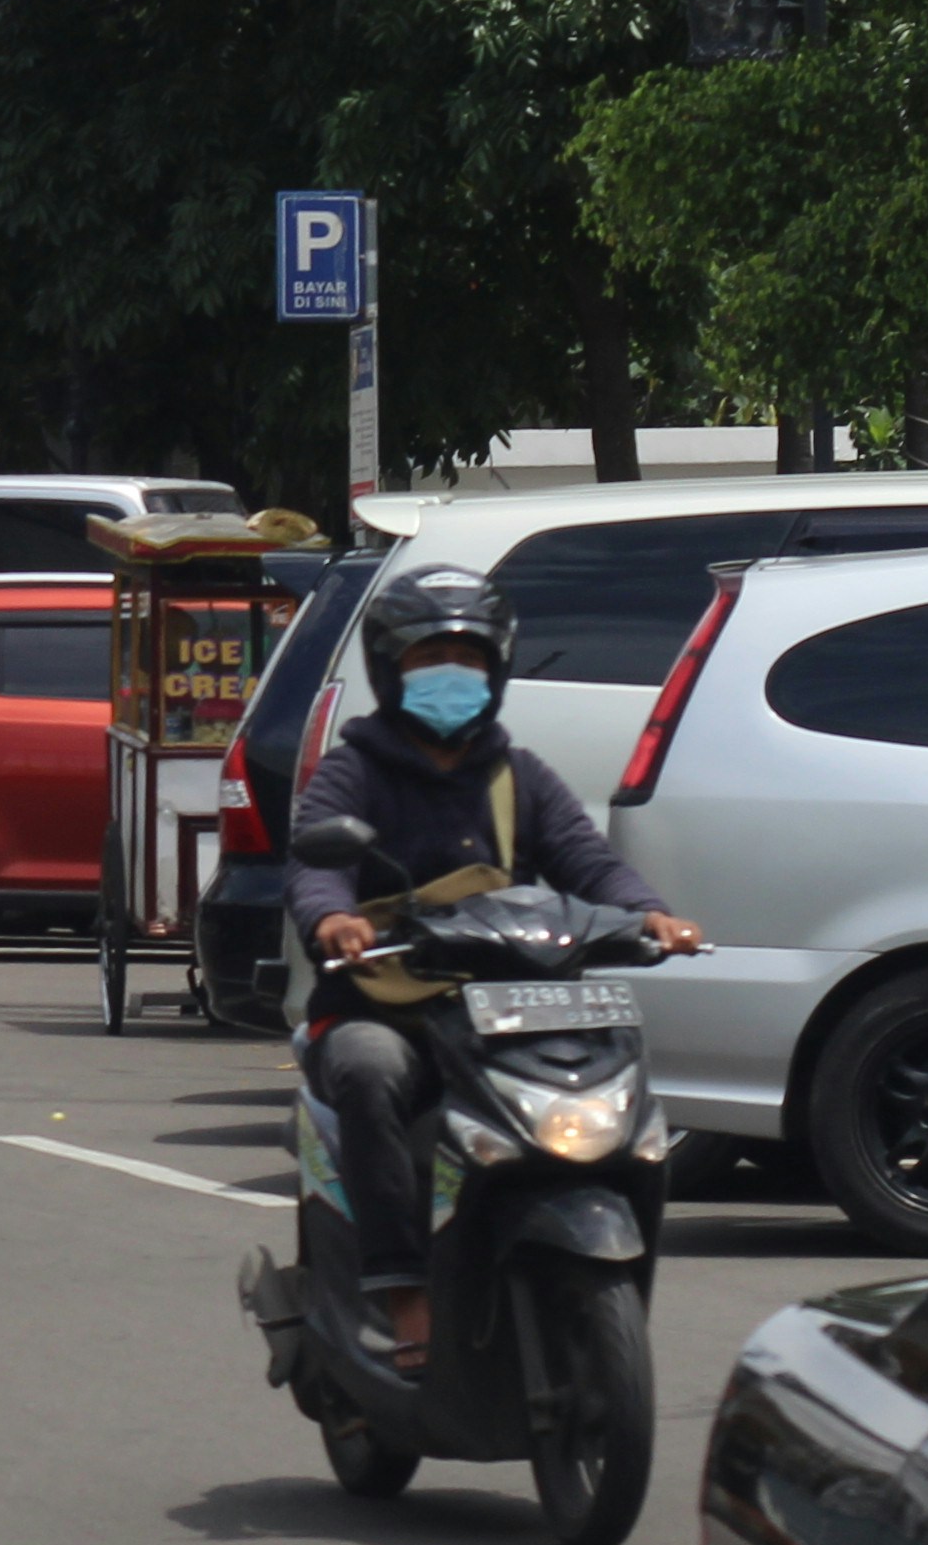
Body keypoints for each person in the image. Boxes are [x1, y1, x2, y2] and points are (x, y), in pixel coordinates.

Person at [283, 563, 706, 1367]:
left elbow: (586, 860)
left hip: (506, 1008)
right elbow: (317, 863)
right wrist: (333, 917)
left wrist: (650, 914)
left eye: (470, 658)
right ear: (389, 669)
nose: (452, 675)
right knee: (370, 1073)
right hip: (385, 1004)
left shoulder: (520, 776)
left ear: (497, 668)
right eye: (428, 659)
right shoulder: (356, 768)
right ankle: (402, 1291)